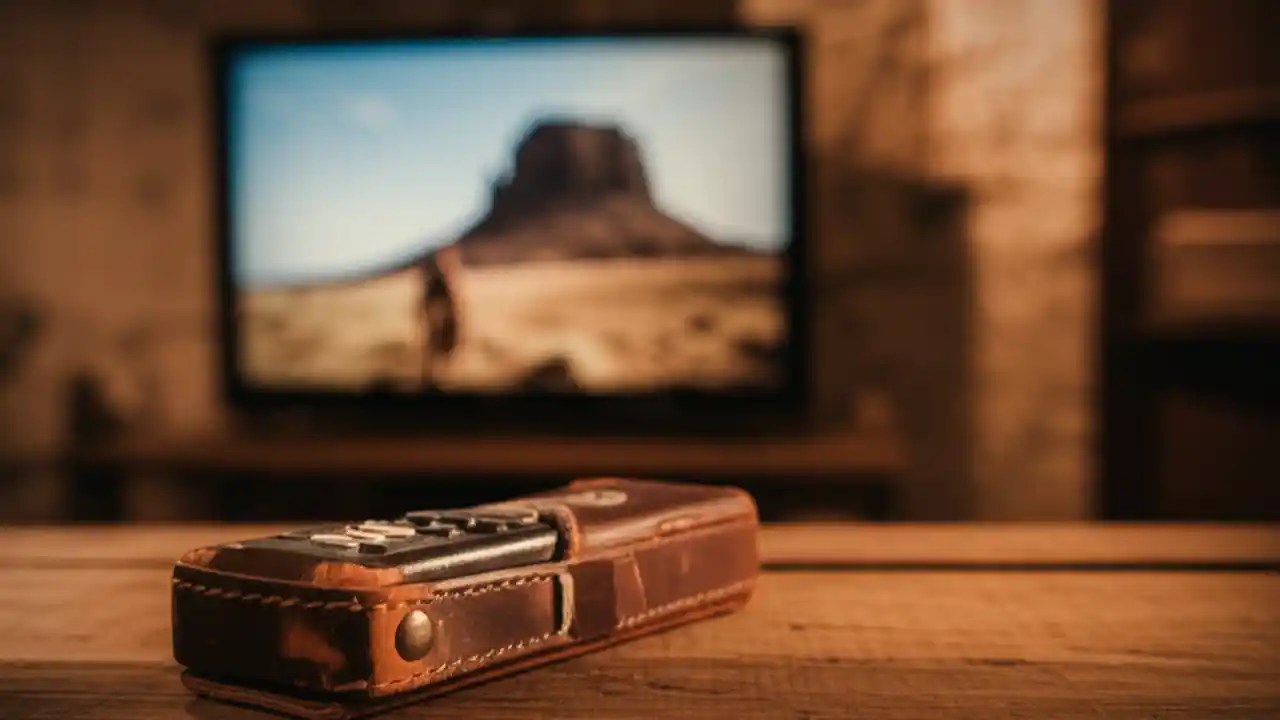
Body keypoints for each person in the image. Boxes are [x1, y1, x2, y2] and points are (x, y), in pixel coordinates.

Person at [419, 245, 462, 383]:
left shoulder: (438, 280)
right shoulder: (434, 281)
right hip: (439, 319)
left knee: (441, 349)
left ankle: (437, 378)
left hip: (442, 319)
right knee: (436, 349)